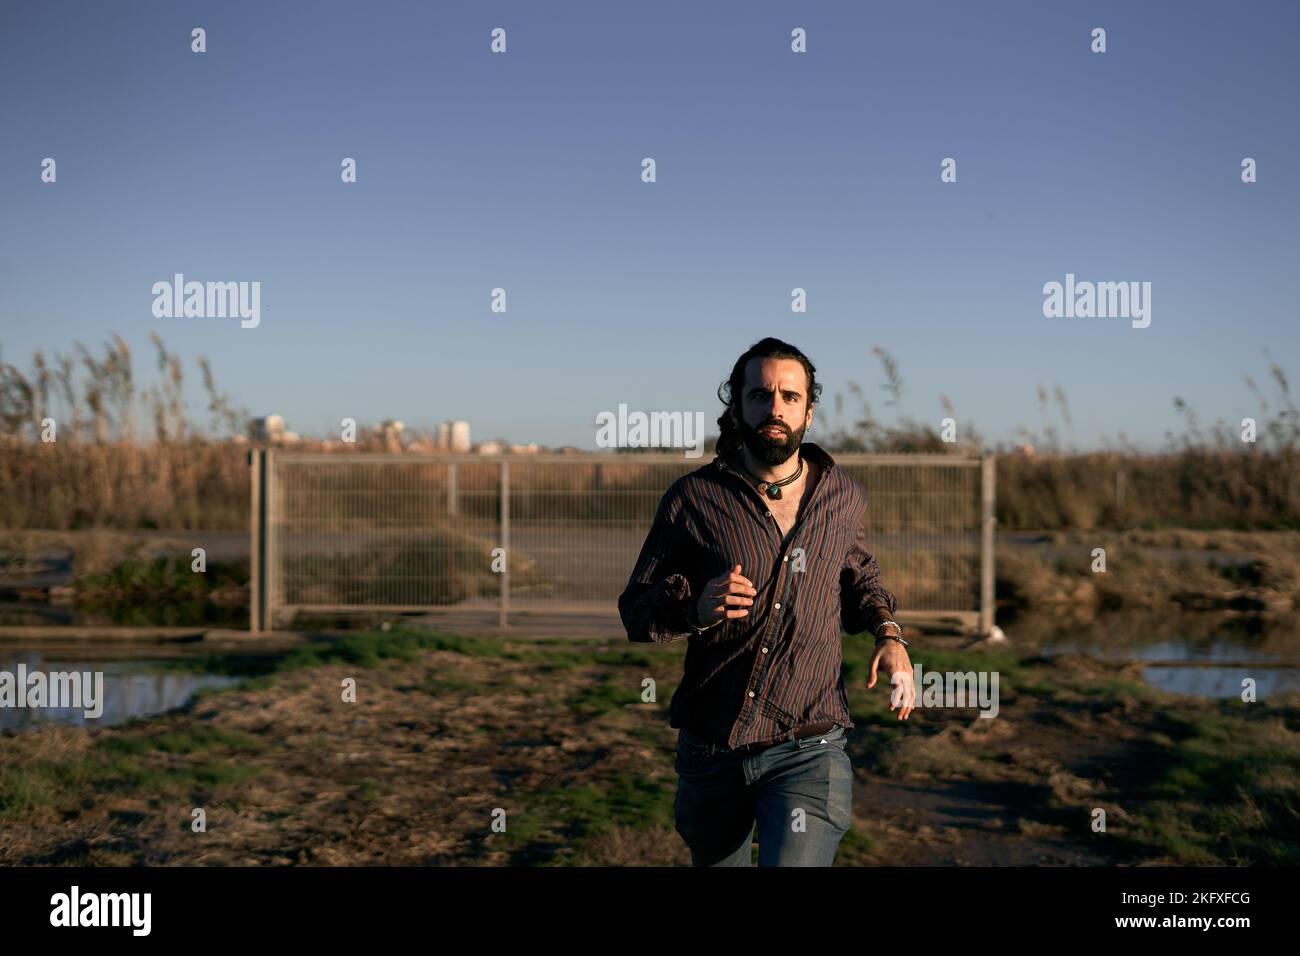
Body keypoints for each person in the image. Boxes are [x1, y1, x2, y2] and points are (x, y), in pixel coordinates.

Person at [619, 336, 916, 866]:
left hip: (810, 744)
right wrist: (695, 610)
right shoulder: (694, 498)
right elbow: (636, 609)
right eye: (759, 395)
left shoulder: (841, 495)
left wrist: (889, 635)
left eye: (789, 396)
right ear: (736, 404)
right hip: (713, 747)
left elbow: (860, 578)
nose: (774, 408)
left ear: (808, 409)